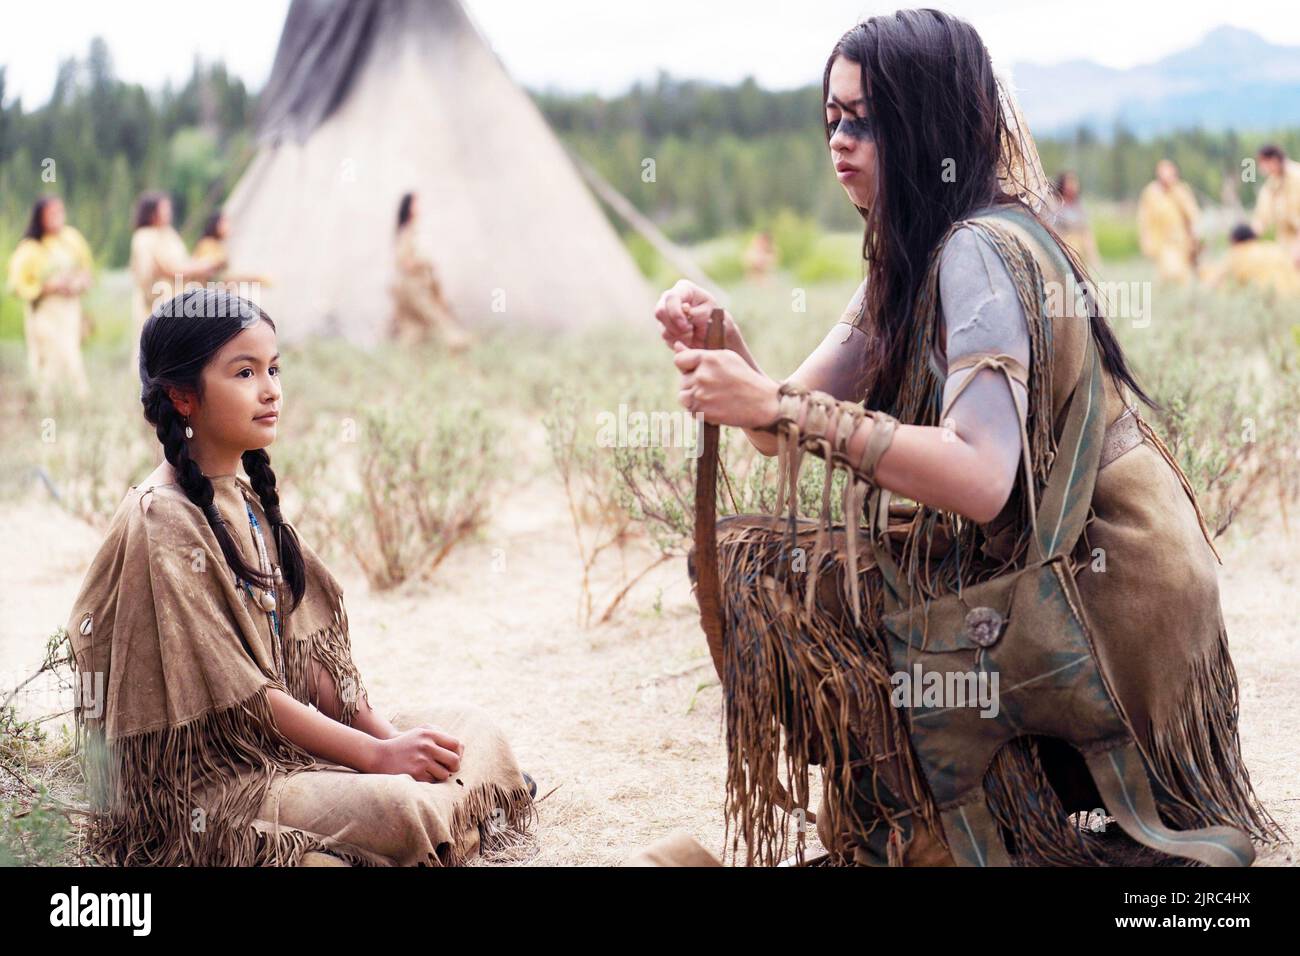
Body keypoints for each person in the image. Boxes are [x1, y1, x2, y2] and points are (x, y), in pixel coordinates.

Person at [650, 8, 1281, 867]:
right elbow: (779, 423)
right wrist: (728, 348)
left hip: (1110, 595)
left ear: (931, 122)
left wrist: (777, 409)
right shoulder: (908, 254)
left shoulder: (977, 250)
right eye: (830, 118)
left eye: (867, 118)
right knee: (778, 556)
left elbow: (981, 478)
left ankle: (939, 830)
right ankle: (932, 821)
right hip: (1053, 573)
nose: (840, 139)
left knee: (768, 571)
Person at [65, 288, 536, 866]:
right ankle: (441, 819)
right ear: (183, 397)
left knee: (471, 729)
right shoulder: (162, 518)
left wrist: (387, 741)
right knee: (400, 806)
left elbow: (306, 658)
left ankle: (437, 816)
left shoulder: (245, 498)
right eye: (244, 372)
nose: (271, 389)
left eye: (274, 368)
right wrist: (376, 760)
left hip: (284, 752)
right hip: (214, 784)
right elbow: (247, 700)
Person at [5, 196, 93, 401]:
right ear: (40, 218)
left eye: (60, 212)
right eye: (52, 214)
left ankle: (77, 402)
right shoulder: (30, 248)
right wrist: (49, 286)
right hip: (46, 311)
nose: (57, 218)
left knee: (71, 353)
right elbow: (17, 285)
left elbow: (86, 268)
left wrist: (79, 282)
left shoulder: (71, 238)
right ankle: (46, 405)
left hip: (70, 309)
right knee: (50, 355)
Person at [127, 192, 222, 373]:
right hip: (155, 298)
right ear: (152, 212)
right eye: (164, 209)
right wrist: (202, 266)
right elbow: (168, 268)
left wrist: (200, 265)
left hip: (176, 296)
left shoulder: (169, 234)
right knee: (153, 345)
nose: (168, 212)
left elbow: (183, 263)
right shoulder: (144, 237)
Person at [390, 191, 471, 352]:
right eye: (416, 204)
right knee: (436, 316)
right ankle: (457, 342)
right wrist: (426, 264)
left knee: (416, 328)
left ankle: (403, 354)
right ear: (409, 208)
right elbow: (404, 263)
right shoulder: (407, 233)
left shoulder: (412, 231)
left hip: (415, 286)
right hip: (413, 287)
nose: (419, 208)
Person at [1137, 160, 1200, 283]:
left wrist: (1194, 237)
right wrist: (1146, 240)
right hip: (1162, 244)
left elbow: (1193, 215)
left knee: (1183, 277)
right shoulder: (1150, 193)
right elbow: (1143, 219)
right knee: (1170, 274)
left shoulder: (1181, 191)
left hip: (1182, 242)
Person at [1200, 224, 1300, 297]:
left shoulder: (1237, 253)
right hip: (1293, 297)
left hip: (1268, 299)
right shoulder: (1273, 248)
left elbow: (1213, 282)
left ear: (1234, 241)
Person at [1249, 144, 1300, 267]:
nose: (1262, 168)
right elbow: (1262, 217)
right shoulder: (1271, 184)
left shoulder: (1297, 176)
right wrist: (1247, 239)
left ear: (1274, 160)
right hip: (1286, 241)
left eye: (1263, 163)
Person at [1045, 171, 1101, 270]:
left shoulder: (1078, 206)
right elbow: (1054, 225)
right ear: (1063, 184)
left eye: (1075, 182)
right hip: (1062, 240)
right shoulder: (1057, 204)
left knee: (1085, 235)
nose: (1073, 185)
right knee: (1075, 240)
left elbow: (1084, 226)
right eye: (1070, 182)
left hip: (1078, 242)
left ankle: (1094, 262)